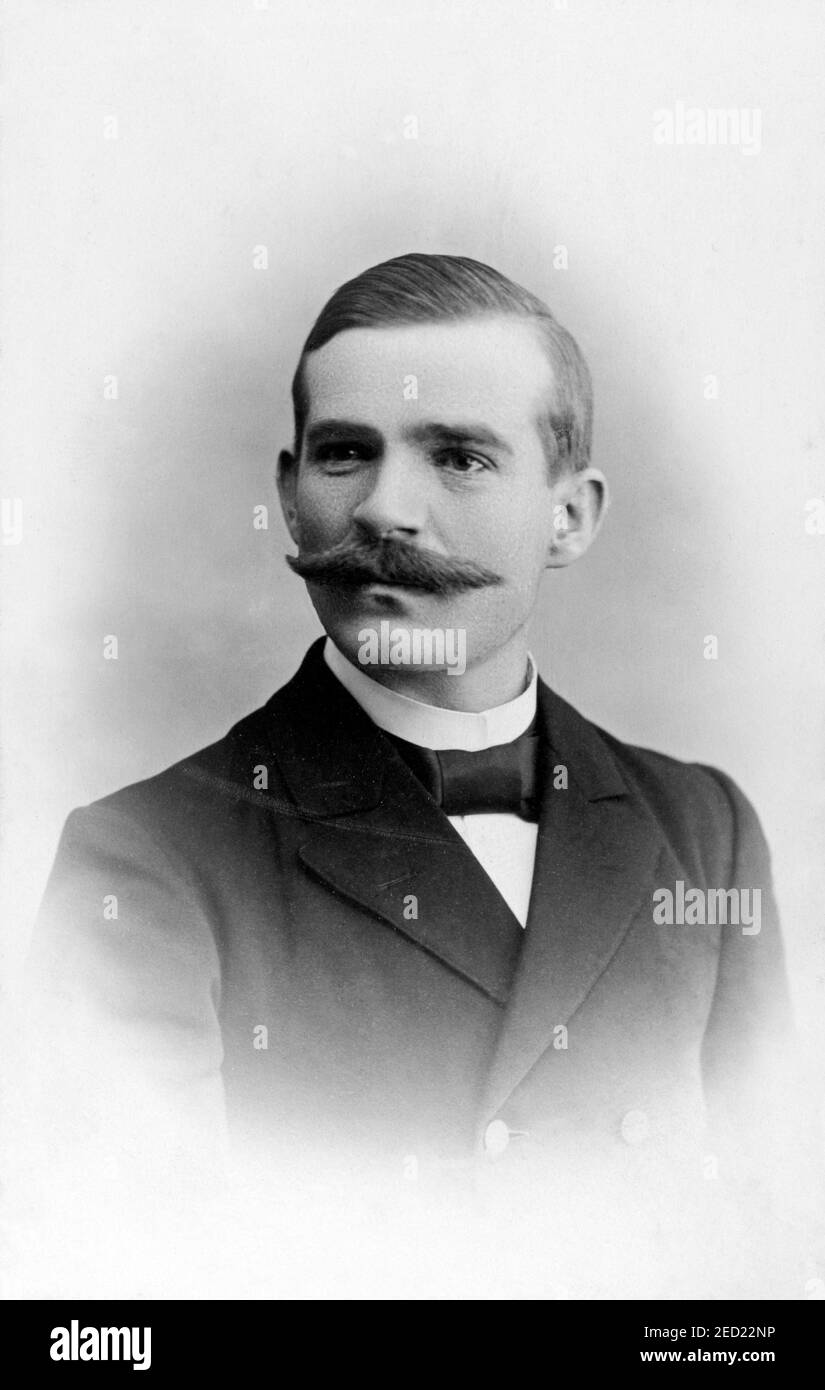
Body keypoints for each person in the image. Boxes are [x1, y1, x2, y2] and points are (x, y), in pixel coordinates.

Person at [25, 253, 805, 1297]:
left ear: (568, 517)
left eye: (460, 459)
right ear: (290, 496)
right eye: (346, 454)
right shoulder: (146, 862)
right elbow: (118, 1283)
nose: (387, 510)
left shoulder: (703, 830)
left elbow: (767, 1253)